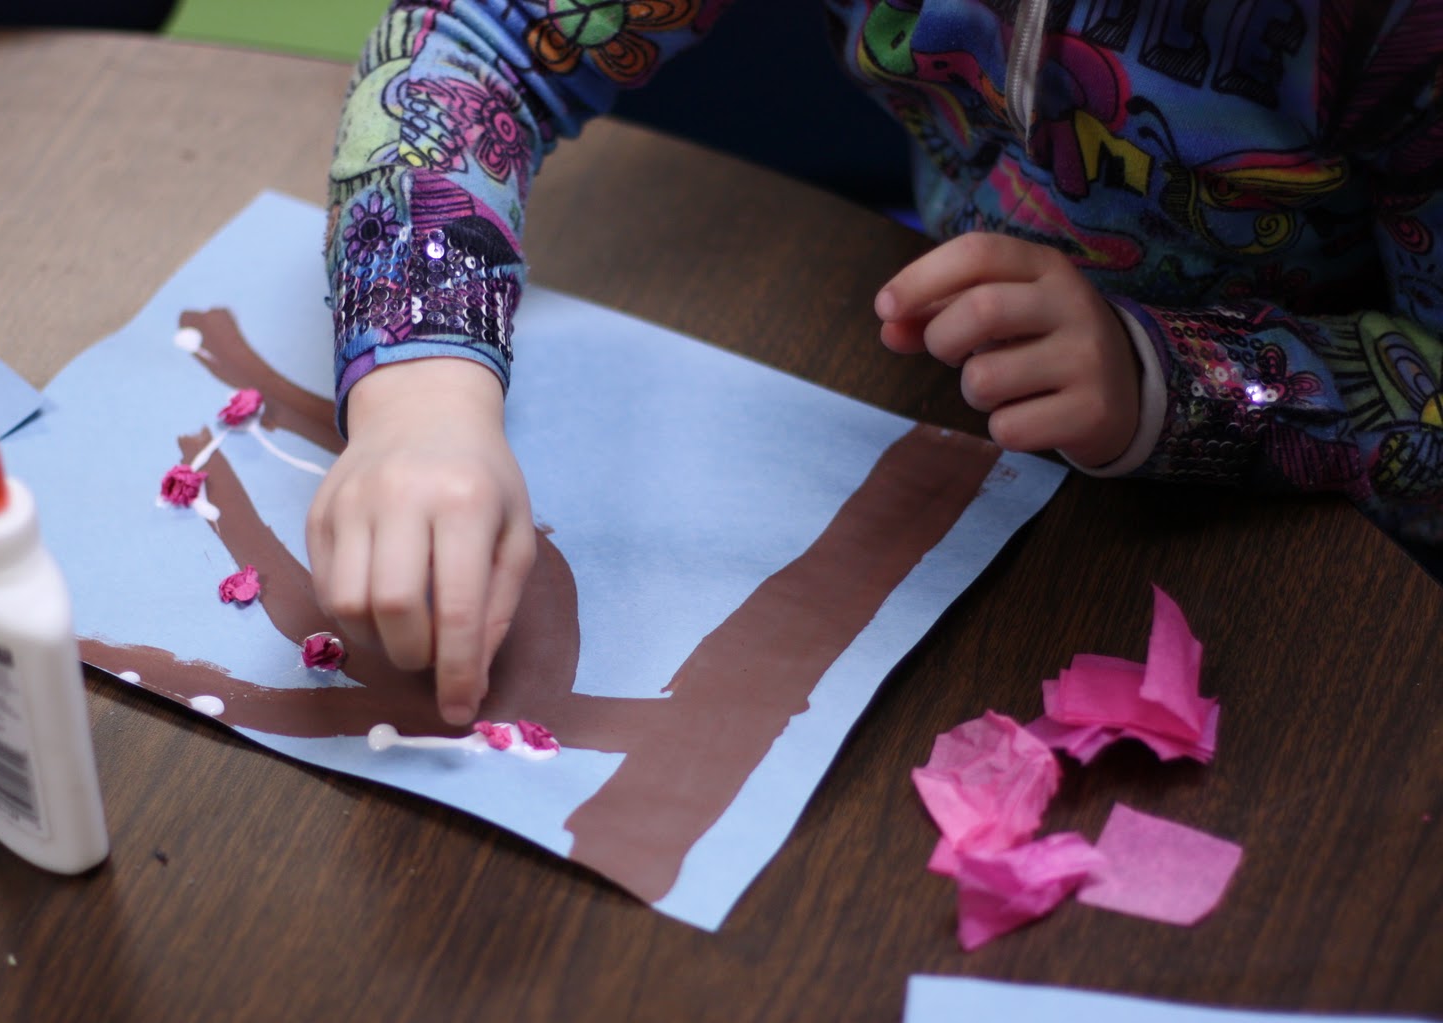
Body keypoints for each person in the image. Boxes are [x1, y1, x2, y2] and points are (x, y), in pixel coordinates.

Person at [305, 1, 1443, 724]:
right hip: (933, 399)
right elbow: (477, 42)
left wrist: (1170, 378)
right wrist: (421, 398)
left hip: (1296, 589)